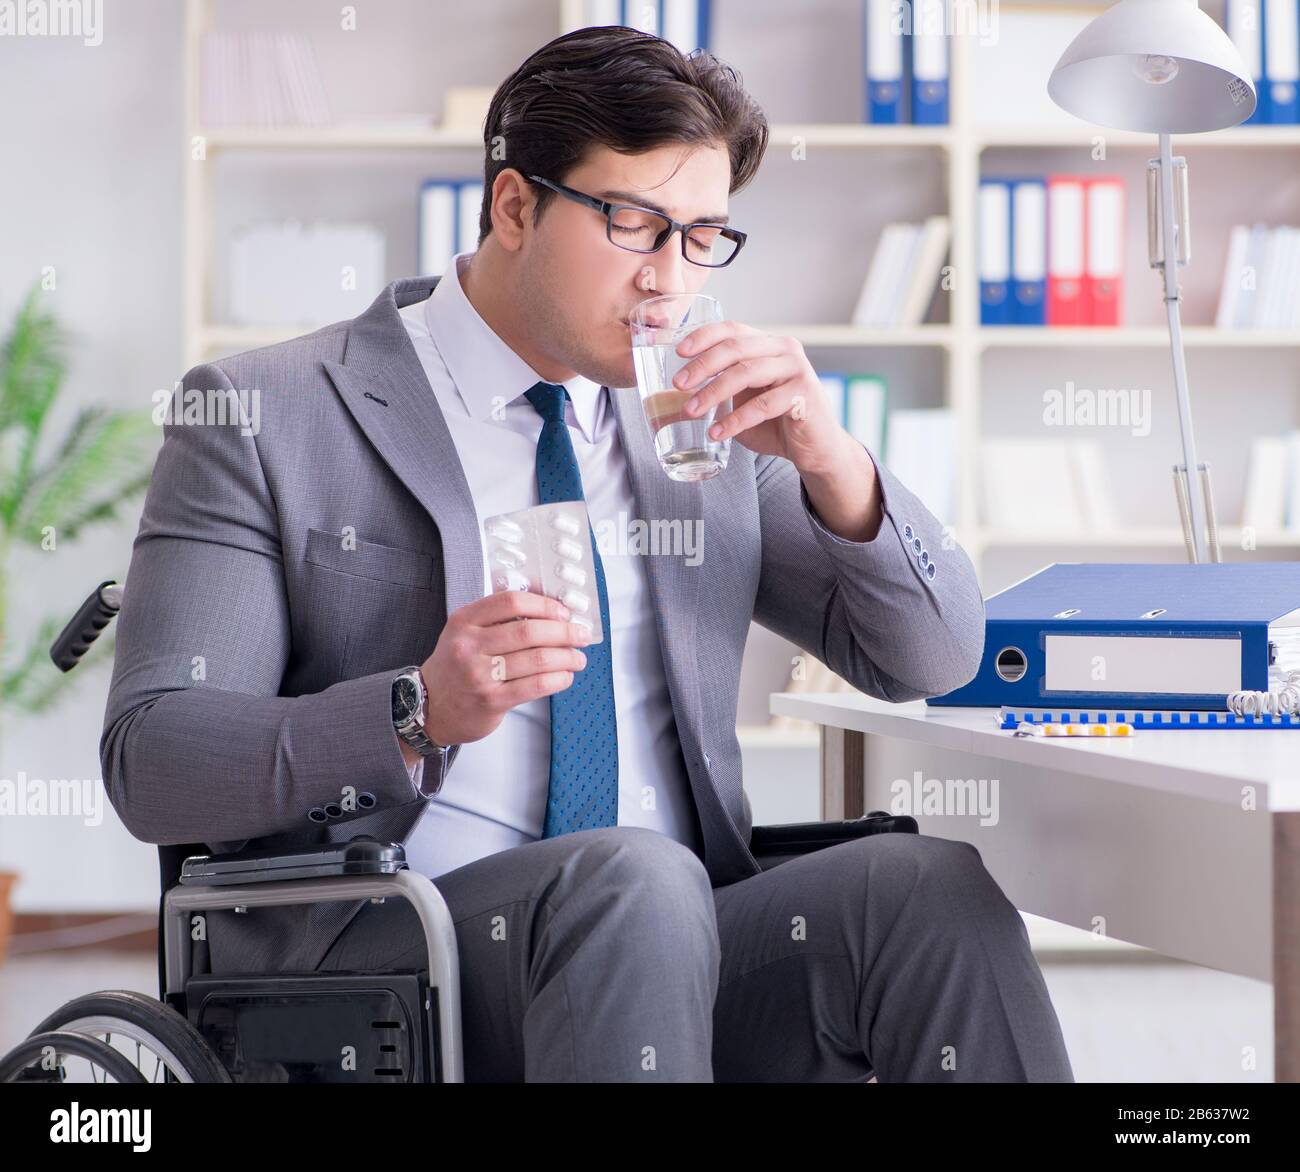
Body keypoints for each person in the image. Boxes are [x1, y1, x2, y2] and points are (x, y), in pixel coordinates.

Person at [101, 25, 1073, 1082]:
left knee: (928, 889)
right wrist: (413, 708)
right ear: (514, 205)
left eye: (703, 236)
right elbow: (156, 759)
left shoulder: (698, 422)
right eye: (634, 224)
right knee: (631, 882)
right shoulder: (267, 411)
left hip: (680, 939)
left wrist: (834, 461)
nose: (670, 279)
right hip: (394, 960)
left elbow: (931, 658)